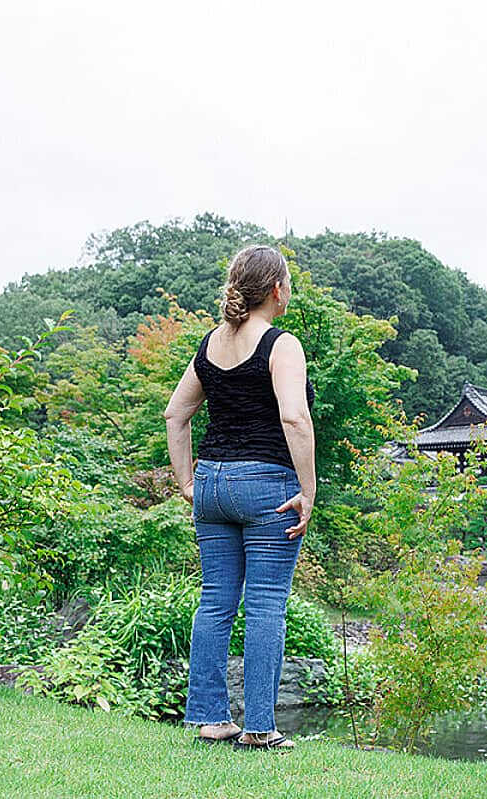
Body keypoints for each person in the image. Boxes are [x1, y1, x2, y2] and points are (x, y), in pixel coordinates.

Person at [164, 244, 315, 751]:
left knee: (216, 602)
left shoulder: (211, 344)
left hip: (211, 484)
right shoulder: (281, 344)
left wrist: (188, 483)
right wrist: (308, 490)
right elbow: (294, 417)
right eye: (288, 283)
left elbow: (175, 415)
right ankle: (259, 728)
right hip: (267, 486)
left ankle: (210, 718)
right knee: (267, 603)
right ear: (277, 290)